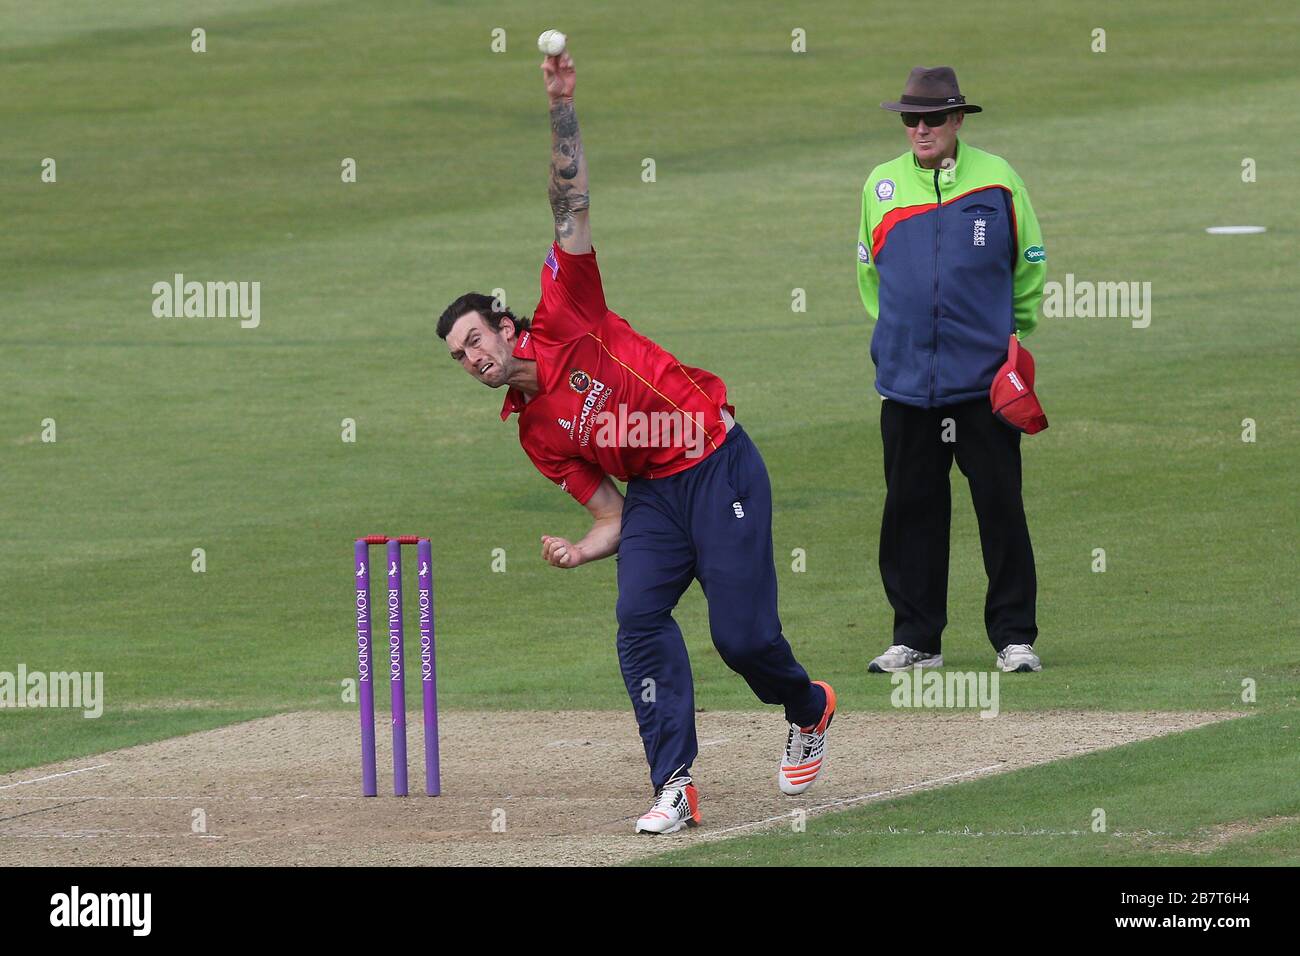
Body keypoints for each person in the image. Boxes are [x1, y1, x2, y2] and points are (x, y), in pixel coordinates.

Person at [437, 47, 835, 834]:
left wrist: (560, 106)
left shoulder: (566, 304)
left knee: (741, 637)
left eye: (478, 339)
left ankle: (808, 703)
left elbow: (570, 201)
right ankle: (675, 784)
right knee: (638, 621)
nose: (475, 359)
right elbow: (611, 512)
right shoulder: (534, 435)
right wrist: (586, 549)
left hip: (718, 464)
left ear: (508, 325)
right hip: (656, 497)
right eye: (460, 356)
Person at [856, 66, 1047, 675]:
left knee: (1000, 507)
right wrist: (902, 338)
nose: (920, 129)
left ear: (958, 119)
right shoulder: (880, 186)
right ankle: (917, 640)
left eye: (932, 118)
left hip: (982, 386)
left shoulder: (998, 180)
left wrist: (1009, 337)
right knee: (910, 511)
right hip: (908, 386)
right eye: (910, 119)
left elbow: (1030, 264)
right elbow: (871, 280)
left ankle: (1014, 637)